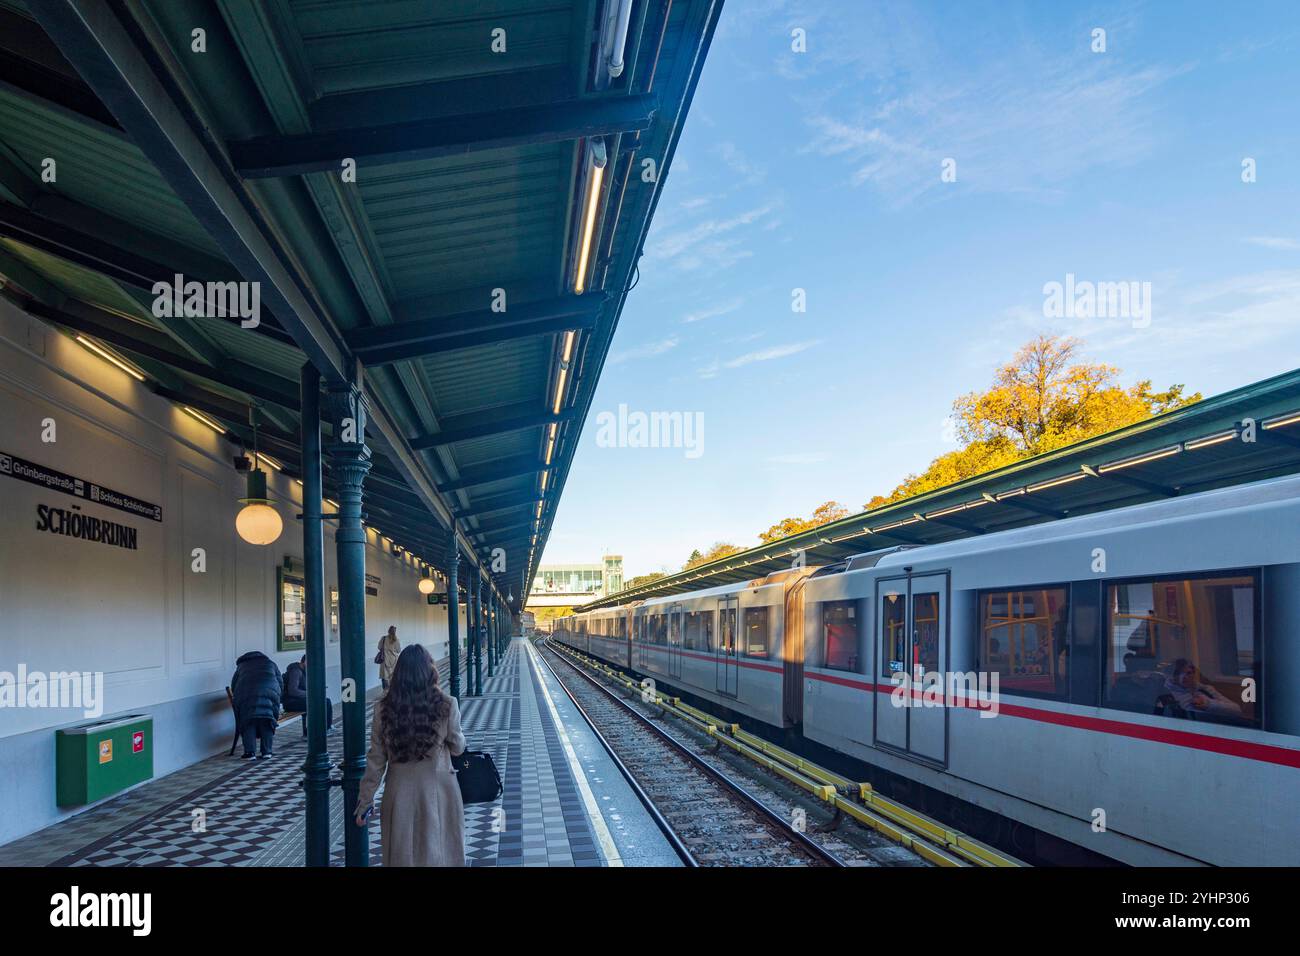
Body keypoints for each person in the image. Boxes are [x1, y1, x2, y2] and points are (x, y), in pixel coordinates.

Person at [354, 645, 466, 867]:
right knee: (440, 853)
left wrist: (365, 801)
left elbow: (376, 759)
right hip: (439, 792)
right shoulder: (447, 704)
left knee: (402, 855)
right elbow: (457, 747)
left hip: (398, 792)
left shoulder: (383, 709)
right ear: (431, 671)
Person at [230, 650, 282, 759]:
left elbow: (234, 684)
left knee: (248, 722)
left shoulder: (242, 666)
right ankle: (267, 752)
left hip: (246, 697)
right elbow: (280, 681)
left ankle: (250, 753)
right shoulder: (270, 663)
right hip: (269, 695)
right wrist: (277, 696)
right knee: (267, 721)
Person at [1161, 659, 1243, 720]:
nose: (1184, 677)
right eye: (1178, 673)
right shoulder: (1164, 692)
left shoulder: (1205, 689)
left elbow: (1237, 710)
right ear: (1172, 675)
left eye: (1189, 673)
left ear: (1194, 674)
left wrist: (1208, 704)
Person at [283, 655, 333, 731]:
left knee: (326, 701)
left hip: (300, 700)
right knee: (322, 703)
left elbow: (305, 687)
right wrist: (311, 694)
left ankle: (326, 727)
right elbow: (293, 691)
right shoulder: (296, 671)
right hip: (291, 703)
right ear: (305, 661)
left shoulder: (304, 671)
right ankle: (319, 729)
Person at [379, 625, 401, 691]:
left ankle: (385, 693)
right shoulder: (396, 640)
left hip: (384, 661)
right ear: (395, 632)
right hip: (394, 662)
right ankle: (392, 693)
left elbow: (379, 647)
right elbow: (398, 650)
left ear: (388, 631)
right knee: (393, 678)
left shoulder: (383, 638)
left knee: (384, 677)